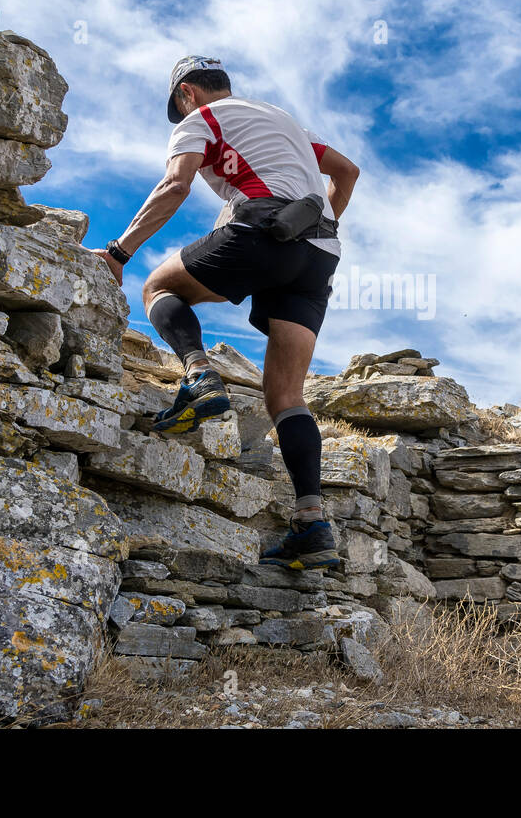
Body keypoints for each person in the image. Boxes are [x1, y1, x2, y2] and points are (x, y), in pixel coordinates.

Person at [93, 56, 360, 570]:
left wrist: (118, 252)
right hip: (320, 251)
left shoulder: (202, 120)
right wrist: (309, 225)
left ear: (187, 93)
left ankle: (198, 375)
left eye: (178, 105)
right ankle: (311, 522)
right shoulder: (282, 120)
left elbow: (175, 186)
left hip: (264, 226)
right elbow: (347, 173)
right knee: (286, 395)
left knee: (158, 286)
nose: (181, 113)